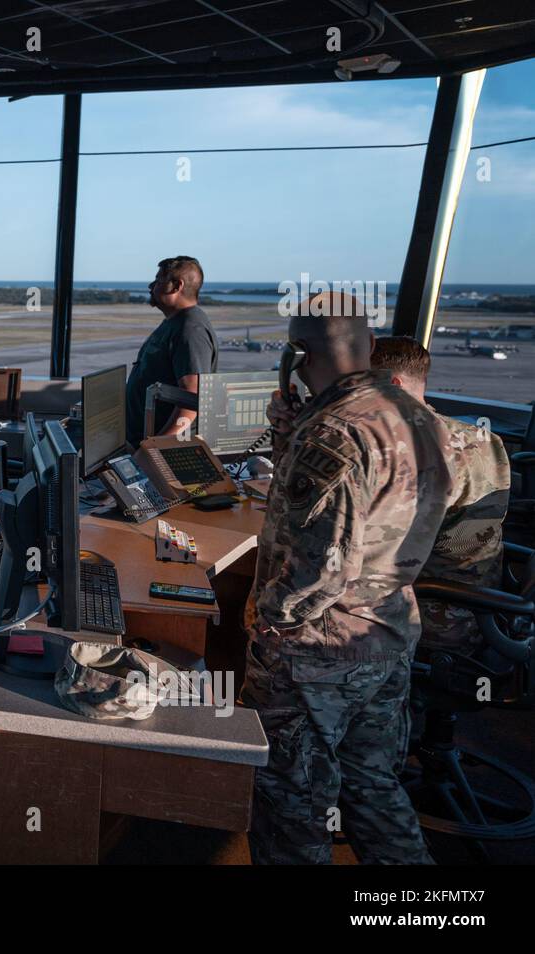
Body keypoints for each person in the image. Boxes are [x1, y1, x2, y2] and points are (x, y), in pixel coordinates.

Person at [243, 292, 455, 865]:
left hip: (318, 652)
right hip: (386, 634)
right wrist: (292, 433)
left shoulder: (333, 433)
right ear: (366, 343)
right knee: (372, 789)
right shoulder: (417, 417)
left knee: (292, 804)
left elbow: (319, 570)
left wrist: (269, 623)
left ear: (298, 355)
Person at [371, 336, 510, 653]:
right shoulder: (484, 439)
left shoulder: (409, 453)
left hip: (435, 611)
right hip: (482, 599)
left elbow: (368, 545)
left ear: (393, 385)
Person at [123, 255, 218, 447]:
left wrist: (157, 447)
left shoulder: (190, 329)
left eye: (158, 280)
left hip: (164, 448)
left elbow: (192, 399)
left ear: (176, 286)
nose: (151, 286)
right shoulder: (175, 322)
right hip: (143, 441)